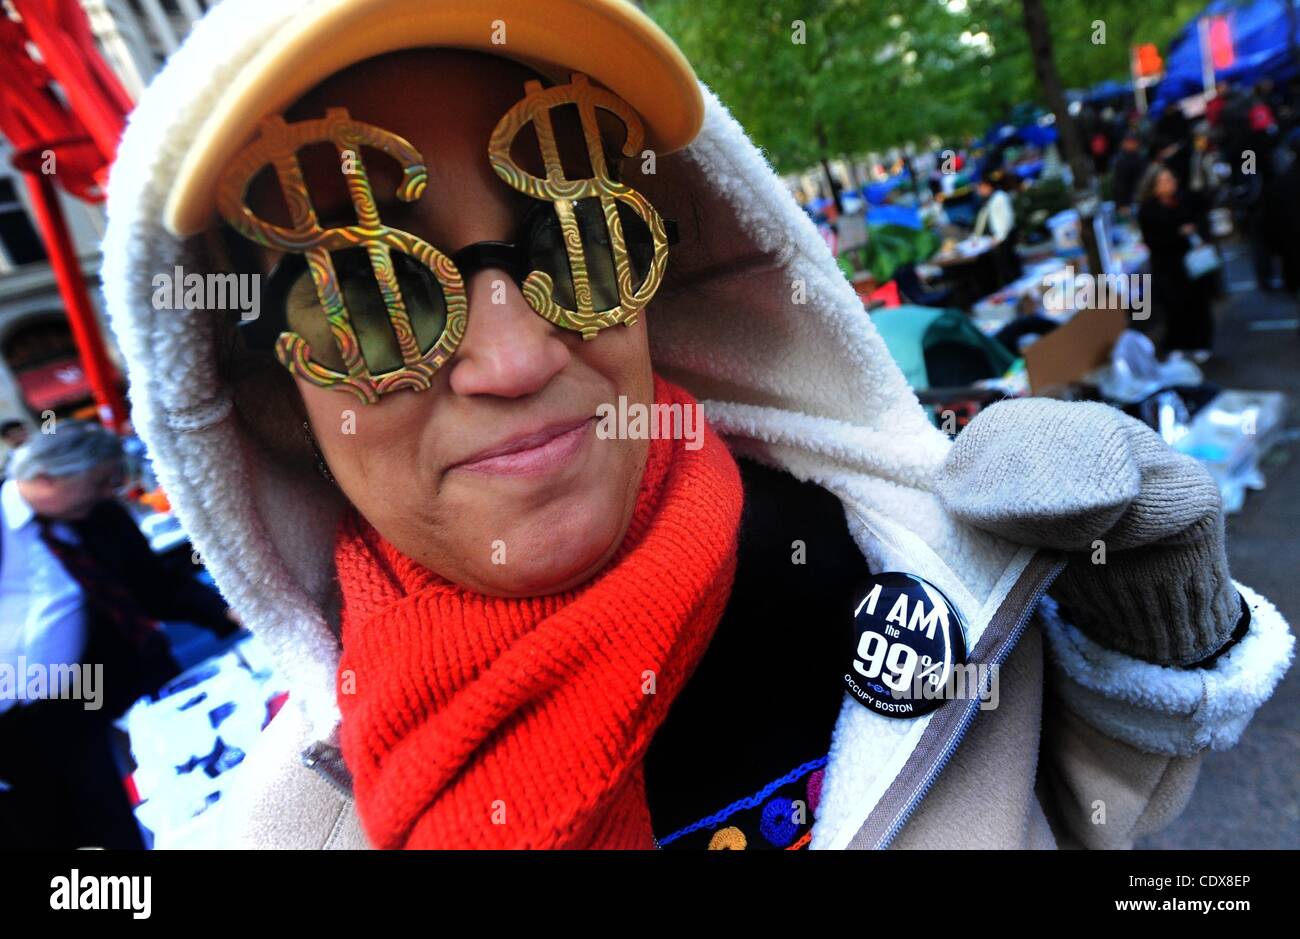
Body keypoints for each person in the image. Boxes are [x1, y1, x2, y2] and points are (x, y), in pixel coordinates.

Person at [100, 0, 1291, 850]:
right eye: (370, 297)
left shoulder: (908, 556)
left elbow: (1087, 818)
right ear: (269, 405)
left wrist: (1143, 648)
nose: (514, 360)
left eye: (579, 238)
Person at [0, 421, 240, 847]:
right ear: (45, 478)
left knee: (125, 818)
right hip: (11, 721)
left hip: (86, 694)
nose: (106, 492)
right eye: (98, 482)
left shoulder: (98, 516)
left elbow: (156, 587)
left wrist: (227, 611)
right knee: (42, 829)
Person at [1137, 164, 1216, 360]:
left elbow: (1203, 210)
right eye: (1164, 181)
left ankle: (1200, 343)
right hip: (1167, 265)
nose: (1170, 184)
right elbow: (1151, 240)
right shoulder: (1148, 210)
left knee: (1197, 304)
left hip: (1191, 263)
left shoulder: (1184, 199)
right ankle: (1178, 344)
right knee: (1174, 306)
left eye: (1171, 179)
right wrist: (1178, 233)